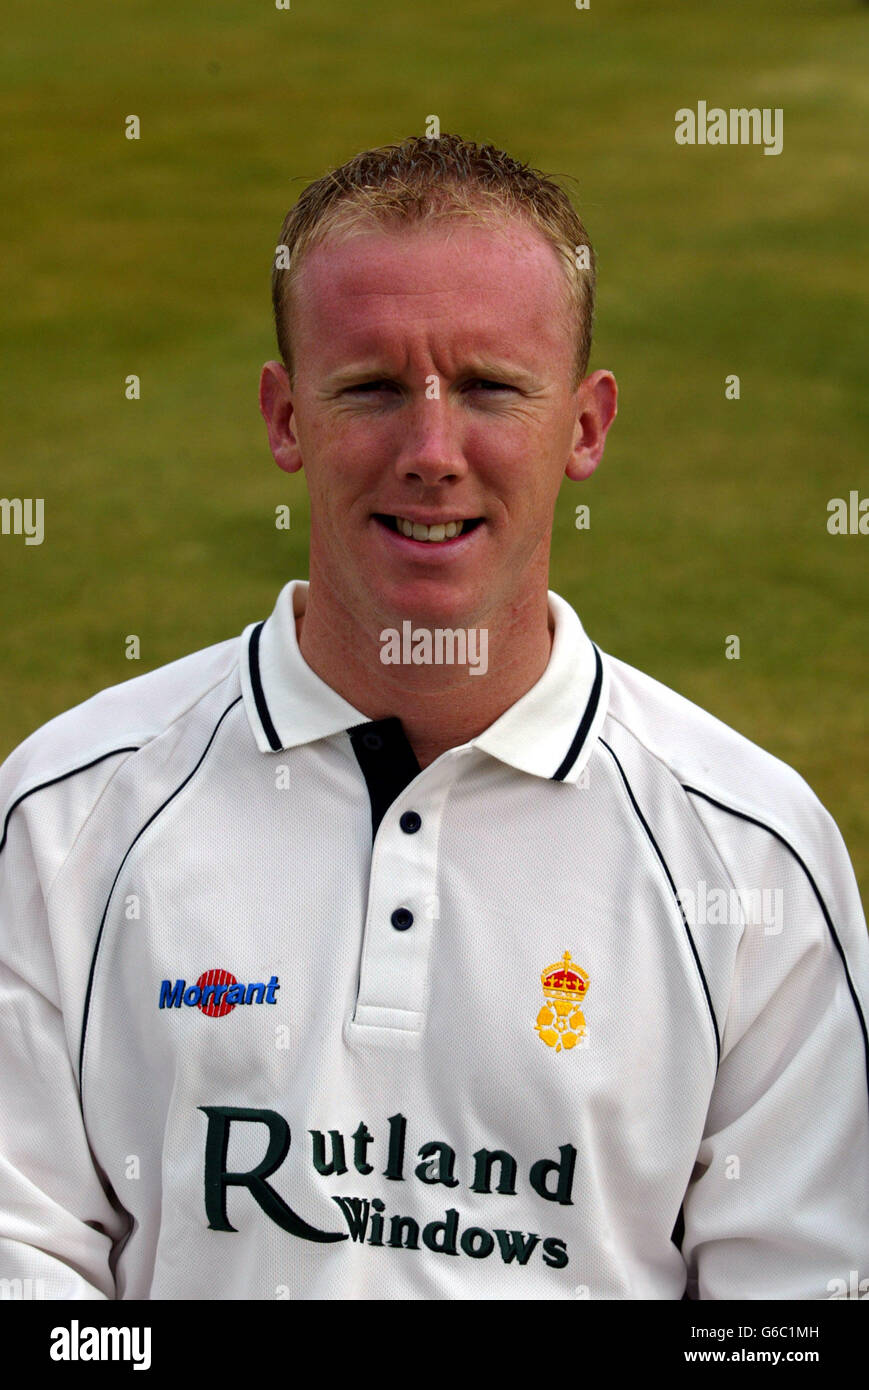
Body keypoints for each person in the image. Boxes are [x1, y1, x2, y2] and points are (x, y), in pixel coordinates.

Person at [0, 133, 866, 1301]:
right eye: (367, 388)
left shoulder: (754, 854)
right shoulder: (66, 816)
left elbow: (797, 1308)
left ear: (586, 426)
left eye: (489, 388)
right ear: (284, 416)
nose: (429, 452)